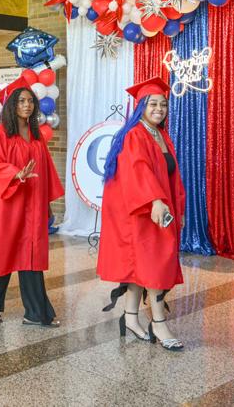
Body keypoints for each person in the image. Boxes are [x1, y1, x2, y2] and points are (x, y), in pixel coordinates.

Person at [98, 77, 186, 351]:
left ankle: (130, 318)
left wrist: (176, 208)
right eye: (153, 104)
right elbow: (138, 171)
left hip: (156, 211)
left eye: (163, 104)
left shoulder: (159, 135)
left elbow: (171, 176)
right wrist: (156, 201)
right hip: (142, 212)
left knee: (141, 270)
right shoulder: (136, 134)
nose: (159, 108)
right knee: (153, 268)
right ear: (141, 107)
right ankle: (158, 324)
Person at [0, 76, 63, 326]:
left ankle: (36, 313)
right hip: (8, 203)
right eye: (22, 101)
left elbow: (46, 171)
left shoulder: (36, 136)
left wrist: (47, 203)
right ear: (11, 105)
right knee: (3, 253)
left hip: (33, 204)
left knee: (32, 255)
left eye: (30, 101)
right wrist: (15, 173)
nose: (27, 105)